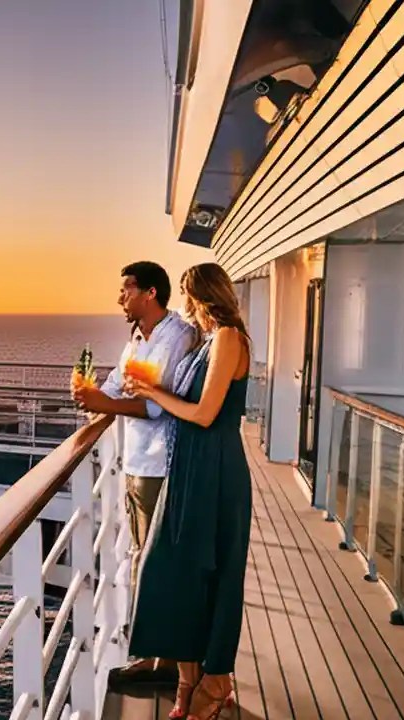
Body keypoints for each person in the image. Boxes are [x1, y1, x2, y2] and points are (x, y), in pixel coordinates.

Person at [123, 262, 252, 719]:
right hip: (189, 465)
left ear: (202, 295)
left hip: (216, 470)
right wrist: (152, 388)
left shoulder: (229, 339)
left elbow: (203, 414)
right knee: (176, 570)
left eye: (186, 294)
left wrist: (152, 394)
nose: (183, 304)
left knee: (210, 574)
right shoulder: (205, 342)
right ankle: (188, 681)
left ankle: (214, 682)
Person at [73, 261, 196, 687]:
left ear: (149, 293)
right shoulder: (139, 340)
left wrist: (104, 403)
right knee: (144, 556)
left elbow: (156, 406)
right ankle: (156, 654)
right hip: (137, 462)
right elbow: (117, 385)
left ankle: (162, 660)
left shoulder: (173, 338)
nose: (120, 298)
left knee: (157, 561)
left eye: (126, 290)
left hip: (161, 463)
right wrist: (90, 396)